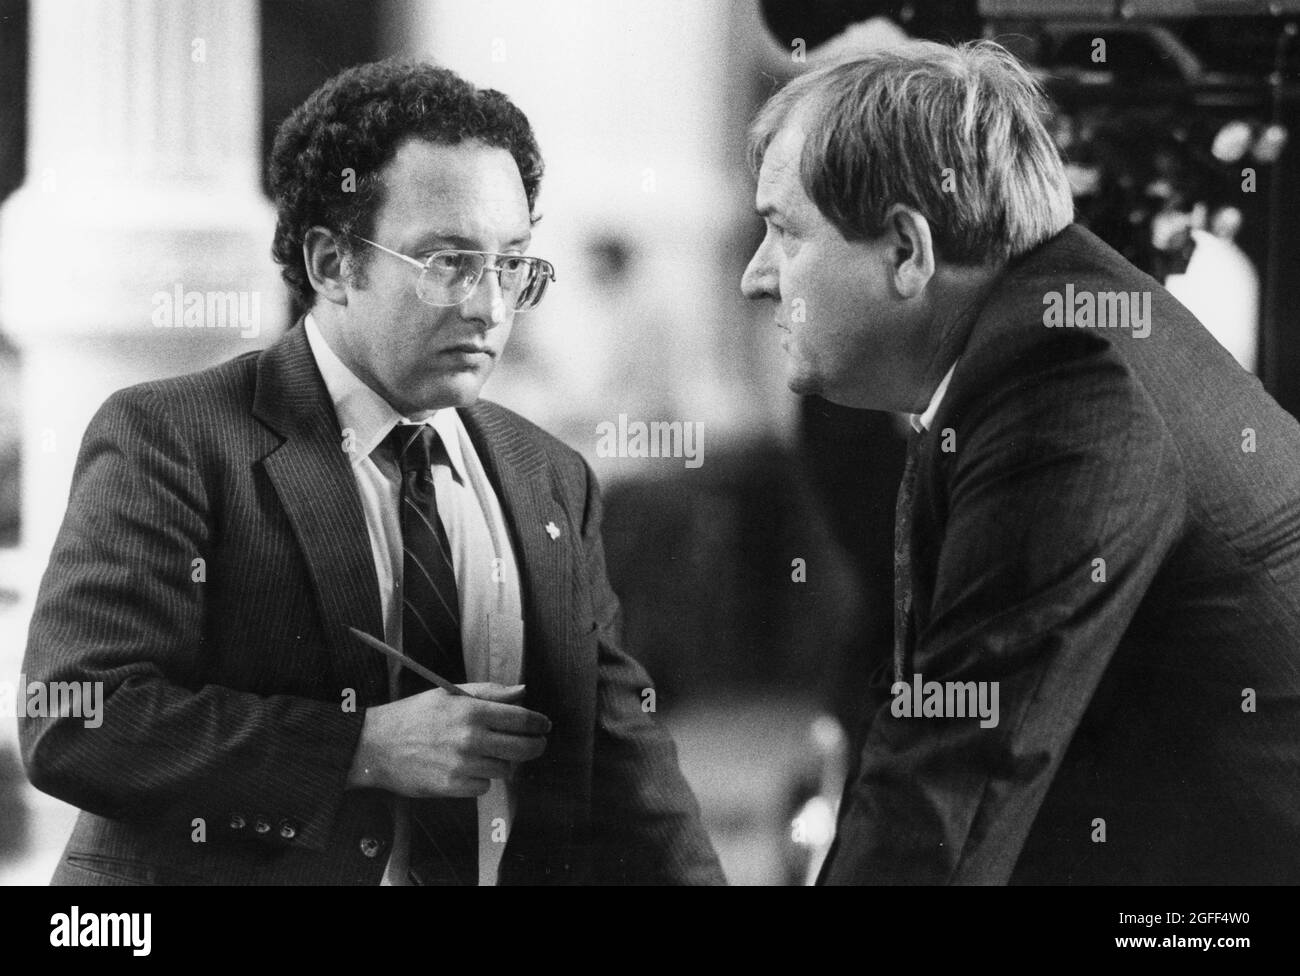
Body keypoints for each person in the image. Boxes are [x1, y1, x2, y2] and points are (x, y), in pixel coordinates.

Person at [20, 59, 724, 886]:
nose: (491, 307)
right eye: (448, 262)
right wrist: (360, 747)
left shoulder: (550, 477)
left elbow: (624, 759)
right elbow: (75, 718)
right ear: (331, 264)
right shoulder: (174, 437)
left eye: (512, 263)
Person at [741, 39, 1300, 883]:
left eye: (783, 231)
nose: (756, 277)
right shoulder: (1050, 331)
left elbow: (952, 793)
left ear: (905, 250)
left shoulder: (1062, 386)